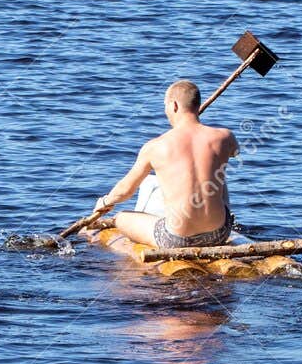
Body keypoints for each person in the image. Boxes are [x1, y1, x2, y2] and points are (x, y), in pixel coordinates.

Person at [95, 81, 239, 248]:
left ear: (174, 105)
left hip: (176, 239)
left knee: (121, 218)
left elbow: (125, 191)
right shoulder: (225, 136)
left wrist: (105, 202)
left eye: (166, 105)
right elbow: (234, 152)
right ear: (197, 105)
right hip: (219, 234)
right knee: (218, 169)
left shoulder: (155, 146)